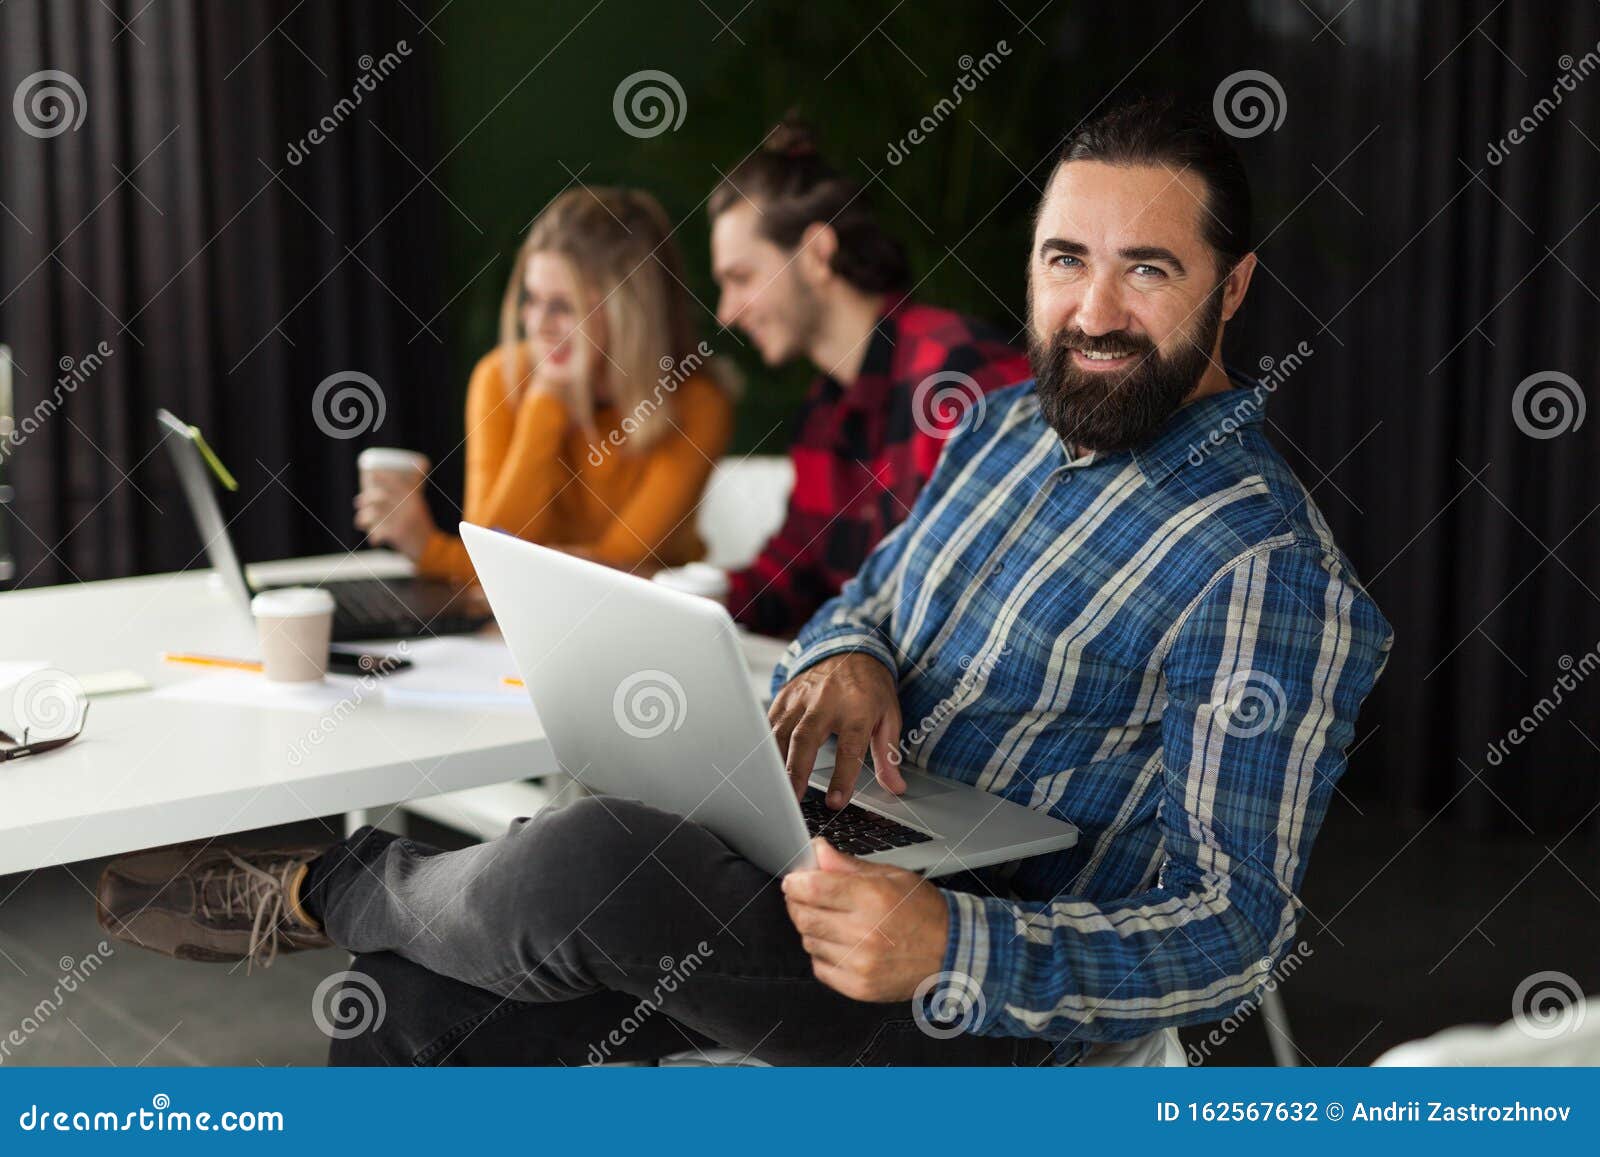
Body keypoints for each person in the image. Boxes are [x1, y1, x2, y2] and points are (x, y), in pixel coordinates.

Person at [96, 97, 1392, 1067]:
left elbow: (1236, 928)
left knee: (594, 860)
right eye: (1067, 260)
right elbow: (863, 598)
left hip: (965, 1009)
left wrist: (957, 945)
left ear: (1234, 288)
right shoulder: (1004, 431)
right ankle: (368, 925)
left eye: (1146, 268)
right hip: (824, 871)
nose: (1094, 309)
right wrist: (851, 655)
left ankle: (332, 885)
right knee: (414, 1004)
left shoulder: (1268, 570)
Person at [708, 119, 1030, 636]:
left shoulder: (958, 372)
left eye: (740, 278)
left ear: (816, 253)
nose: (726, 312)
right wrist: (682, 602)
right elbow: (791, 581)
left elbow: (982, 603)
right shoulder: (821, 414)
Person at [356, 187, 735, 579]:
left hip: (651, 623)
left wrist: (429, 550)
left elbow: (614, 573)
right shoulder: (499, 378)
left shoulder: (697, 404)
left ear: (629, 314)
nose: (536, 325)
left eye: (562, 306)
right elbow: (494, 553)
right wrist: (546, 405)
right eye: (532, 299)